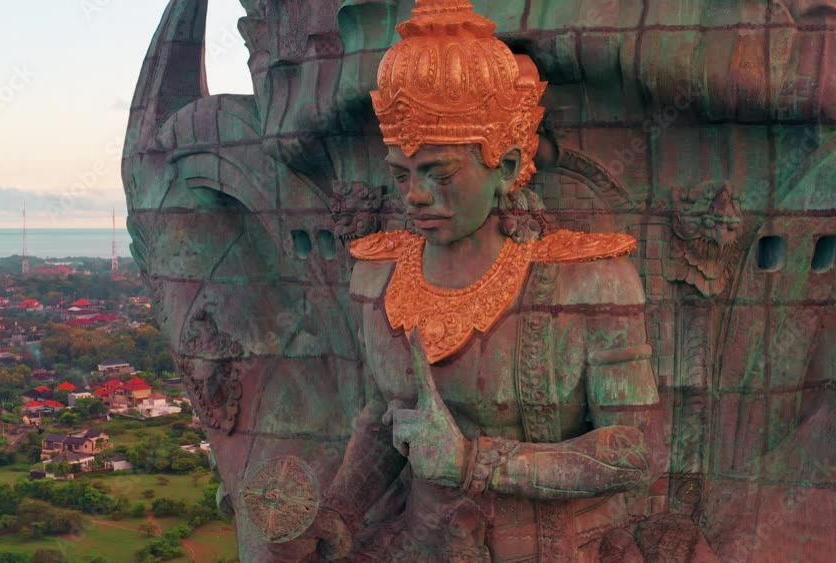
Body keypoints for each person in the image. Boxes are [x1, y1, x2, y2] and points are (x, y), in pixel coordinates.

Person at [281, 1, 661, 560]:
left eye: (438, 173)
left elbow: (633, 452)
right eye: (401, 175)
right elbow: (384, 420)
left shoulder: (590, 281)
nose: (414, 196)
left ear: (504, 168)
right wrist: (340, 511)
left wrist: (474, 463)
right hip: (423, 539)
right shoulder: (379, 273)